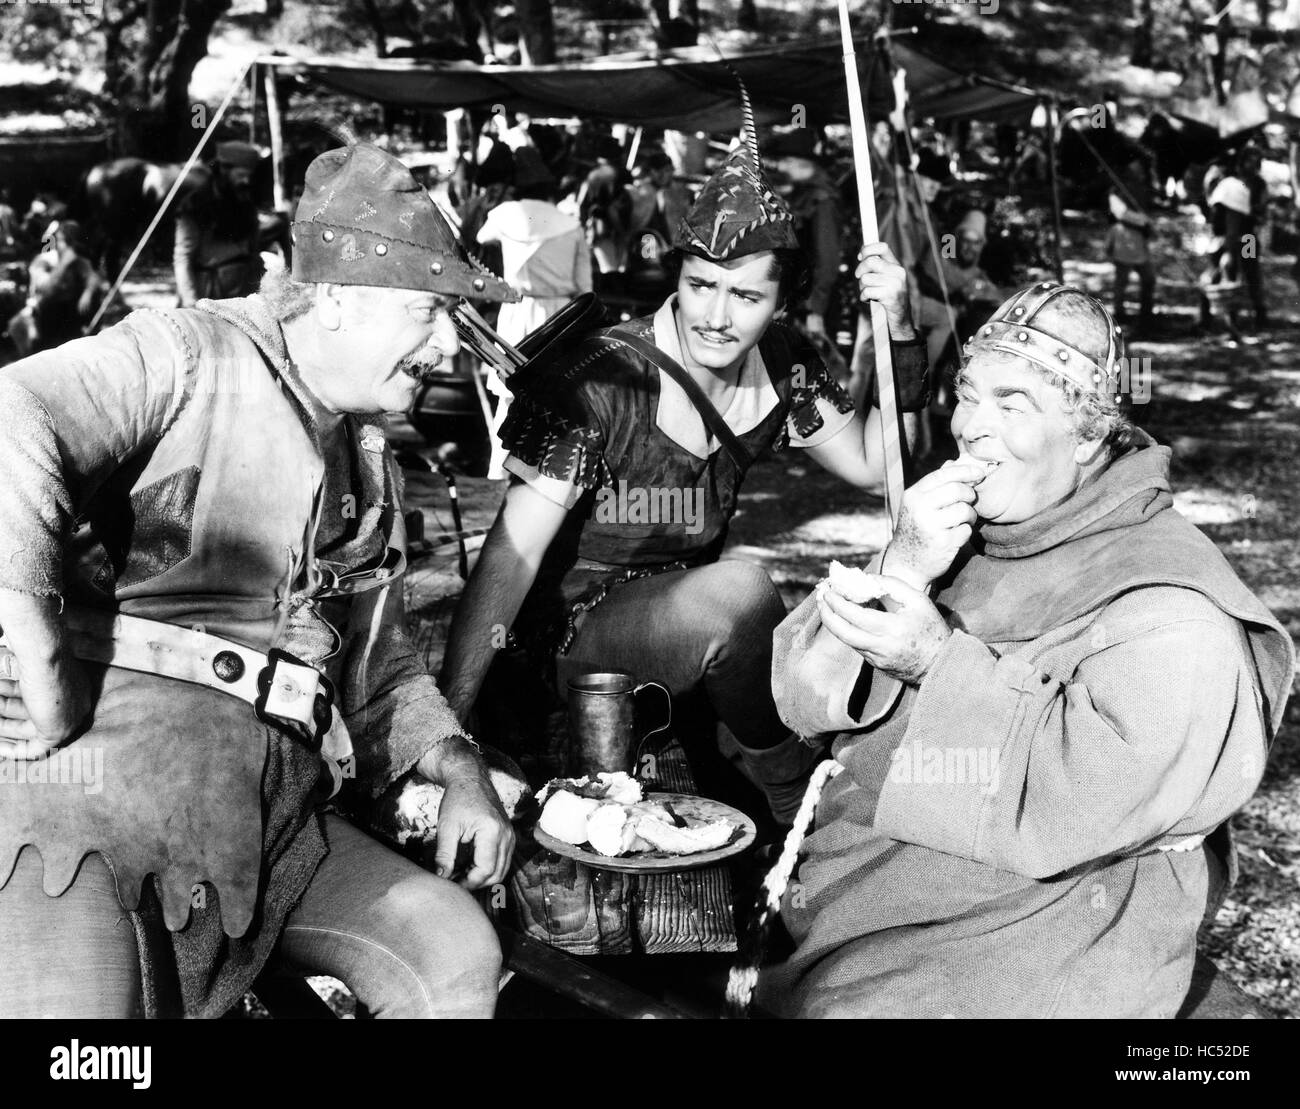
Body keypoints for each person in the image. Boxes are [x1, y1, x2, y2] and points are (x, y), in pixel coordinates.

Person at [0, 144, 521, 1018]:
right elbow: (13, 412)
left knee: (455, 954)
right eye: (431, 313)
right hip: (90, 806)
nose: (444, 346)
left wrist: (462, 770)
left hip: (270, 825)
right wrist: (37, 639)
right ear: (337, 298)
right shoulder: (189, 351)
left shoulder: (369, 463)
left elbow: (381, 676)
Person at [759, 281, 1293, 1017]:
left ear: (1086, 436)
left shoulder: (1174, 605)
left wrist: (937, 663)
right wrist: (902, 565)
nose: (972, 427)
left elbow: (1078, 798)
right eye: (969, 394)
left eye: (1013, 405)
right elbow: (799, 701)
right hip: (877, 891)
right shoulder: (966, 533)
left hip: (1046, 924)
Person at [440, 129, 930, 825]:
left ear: (781, 303)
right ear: (676, 275)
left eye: (745, 296)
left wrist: (901, 335)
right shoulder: (602, 378)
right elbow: (506, 561)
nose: (717, 316)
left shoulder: (784, 363)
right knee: (740, 590)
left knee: (801, 616)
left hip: (678, 626)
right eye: (700, 285)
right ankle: (794, 792)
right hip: (566, 639)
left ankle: (771, 779)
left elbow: (882, 466)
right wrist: (449, 734)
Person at [476, 146, 593, 478]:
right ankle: (548, 472)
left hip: (519, 309)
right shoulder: (569, 223)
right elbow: (584, 285)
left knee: (511, 394)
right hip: (560, 316)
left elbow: (482, 236)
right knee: (556, 397)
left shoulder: (506, 213)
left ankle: (500, 471)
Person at [766, 129, 843, 344]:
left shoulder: (822, 201)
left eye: (789, 162)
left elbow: (828, 260)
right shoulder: (803, 196)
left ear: (805, 166)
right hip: (798, 300)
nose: (783, 167)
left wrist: (816, 311)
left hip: (813, 306)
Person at [173, 140, 264, 306]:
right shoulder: (194, 205)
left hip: (243, 289)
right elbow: (183, 258)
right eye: (241, 175)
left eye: (249, 176)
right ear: (223, 170)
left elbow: (253, 249)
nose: (246, 181)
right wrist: (190, 301)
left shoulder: (245, 201)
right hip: (209, 292)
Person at [8, 219, 109, 357]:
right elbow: (46, 289)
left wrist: (88, 292)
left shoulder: (78, 261)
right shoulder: (44, 260)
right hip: (43, 312)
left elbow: (93, 277)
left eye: (69, 243)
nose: (65, 247)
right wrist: (63, 265)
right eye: (62, 241)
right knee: (21, 326)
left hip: (66, 313)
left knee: (92, 300)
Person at [1207, 145, 1269, 329]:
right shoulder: (1227, 179)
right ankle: (1223, 318)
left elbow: (1262, 210)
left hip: (1247, 236)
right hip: (1223, 235)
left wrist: (1254, 213)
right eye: (1249, 159)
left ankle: (1259, 313)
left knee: (1250, 271)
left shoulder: (1258, 183)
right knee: (1224, 271)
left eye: (1255, 160)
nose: (1252, 164)